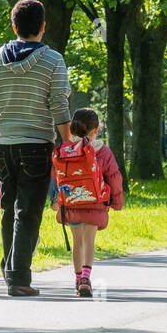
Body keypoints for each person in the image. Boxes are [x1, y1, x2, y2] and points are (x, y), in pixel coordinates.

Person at [0, 0, 72, 297]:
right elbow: (60, 107)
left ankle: (10, 269)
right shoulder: (53, 60)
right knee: (29, 212)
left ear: (14, 26)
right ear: (43, 27)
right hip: (37, 145)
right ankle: (19, 278)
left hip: (3, 145)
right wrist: (69, 146)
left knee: (9, 208)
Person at [51, 108, 124, 297]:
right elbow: (114, 177)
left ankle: (77, 279)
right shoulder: (102, 150)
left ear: (73, 127)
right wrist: (117, 201)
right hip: (95, 202)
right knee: (89, 240)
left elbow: (56, 175)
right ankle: (86, 277)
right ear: (96, 129)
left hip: (72, 202)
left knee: (77, 242)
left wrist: (57, 199)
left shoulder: (64, 150)